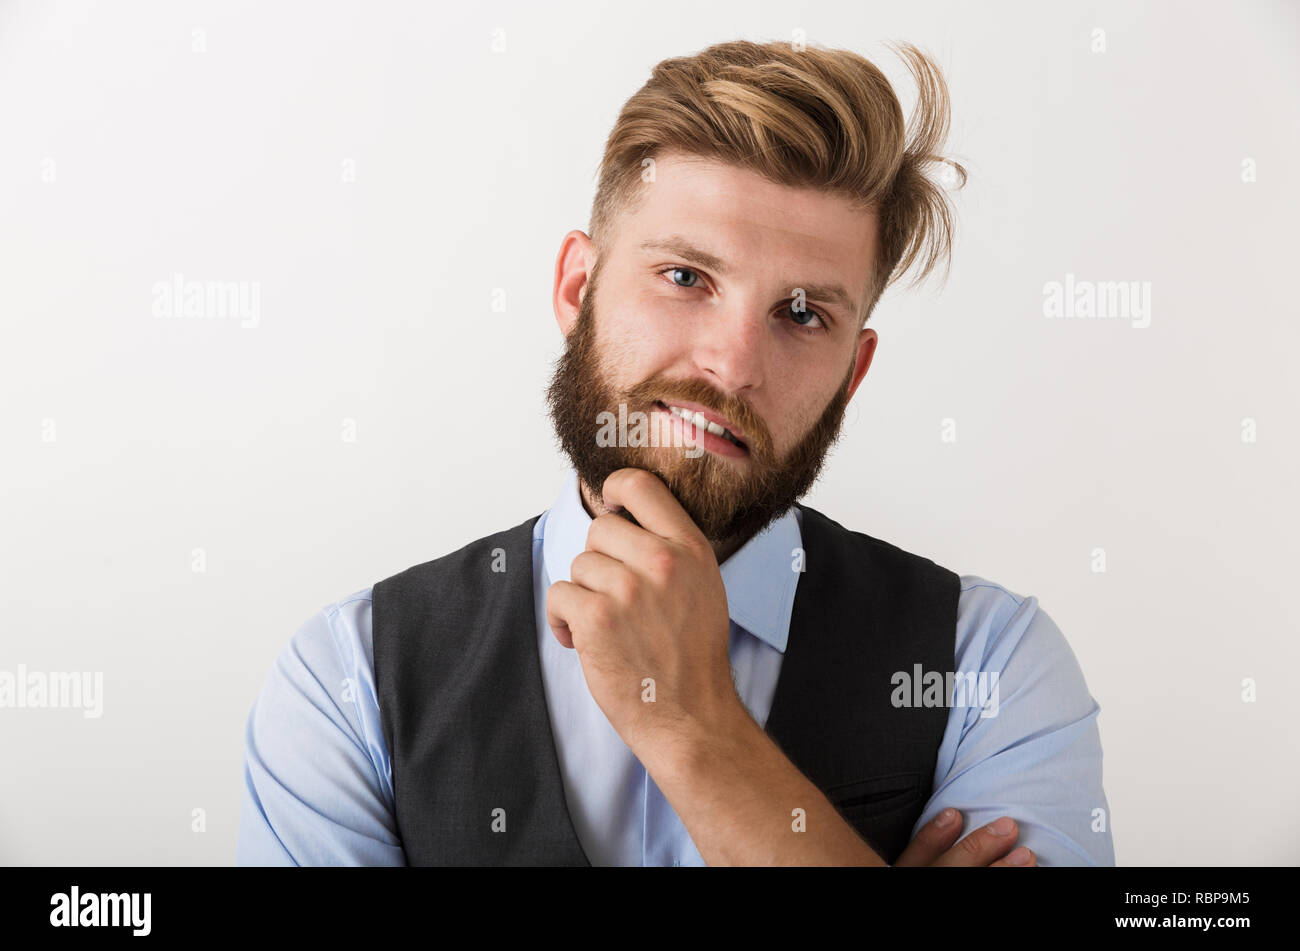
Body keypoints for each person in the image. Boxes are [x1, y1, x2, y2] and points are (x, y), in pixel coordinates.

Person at [237, 39, 1114, 866]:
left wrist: (697, 729)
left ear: (855, 370)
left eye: (804, 314)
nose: (733, 366)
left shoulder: (989, 665)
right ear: (578, 290)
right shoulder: (348, 680)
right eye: (686, 278)